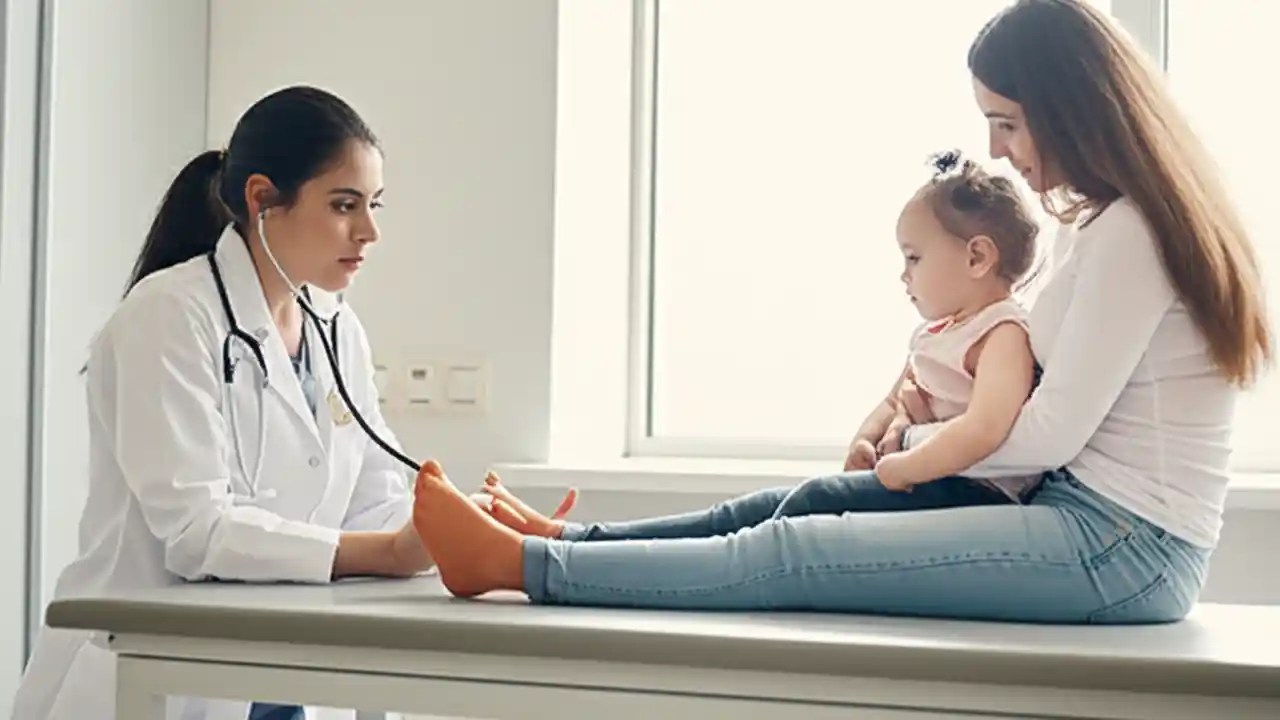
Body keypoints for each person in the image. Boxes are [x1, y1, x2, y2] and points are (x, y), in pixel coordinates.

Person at [409, 0, 1270, 623]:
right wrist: (909, 415)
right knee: (791, 504)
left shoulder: (1132, 235)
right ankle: (570, 540)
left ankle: (523, 566)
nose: (996, 150)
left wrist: (908, 448)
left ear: (1072, 108)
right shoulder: (1099, 227)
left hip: (1123, 548)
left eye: (1006, 123)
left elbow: (1047, 433)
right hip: (1081, 519)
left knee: (801, 550)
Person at [14, 86, 433, 720]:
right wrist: (388, 552)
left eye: (374, 205)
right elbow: (196, 534)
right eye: (344, 205)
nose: (370, 231)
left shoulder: (335, 325)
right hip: (158, 674)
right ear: (263, 200)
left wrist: (449, 529)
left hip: (288, 667)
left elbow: (377, 495)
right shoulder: (168, 316)